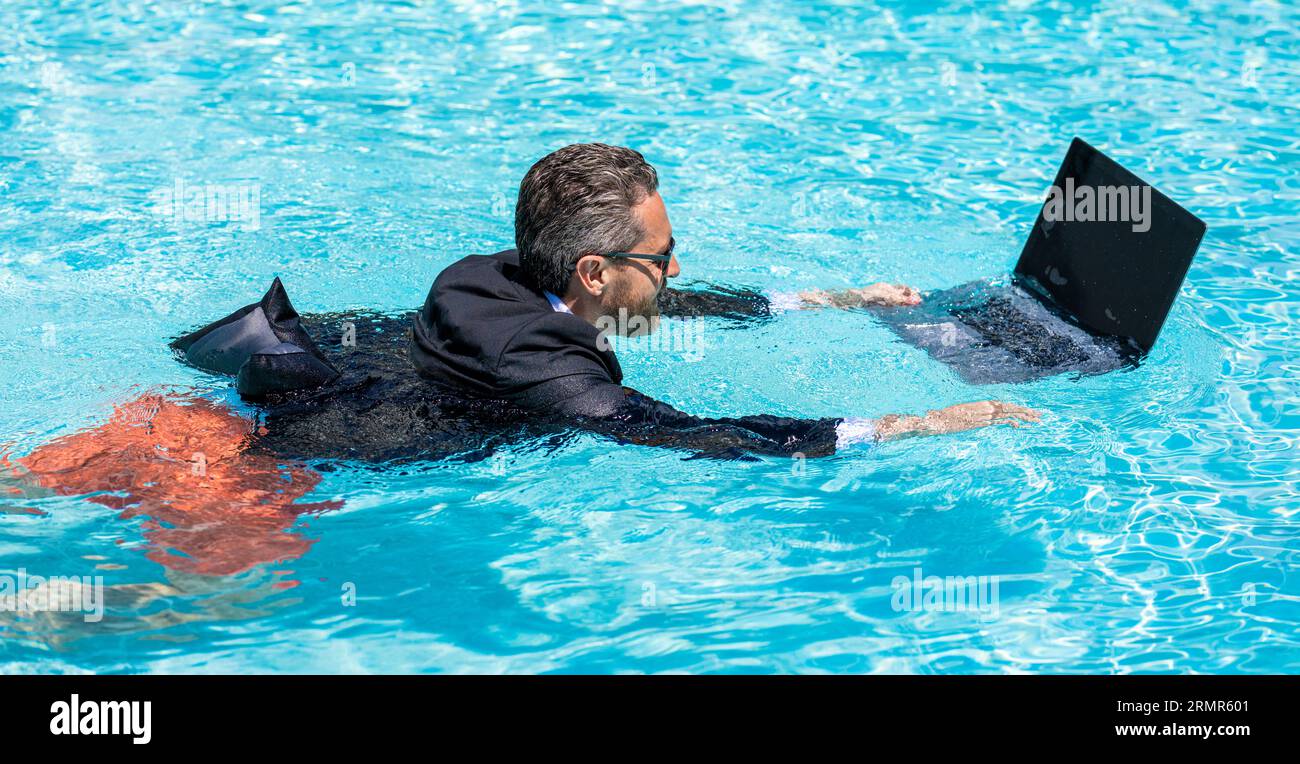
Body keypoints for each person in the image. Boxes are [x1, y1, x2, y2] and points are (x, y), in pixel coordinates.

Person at [409, 143, 1040, 457]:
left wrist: (830, 300)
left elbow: (656, 303)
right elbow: (693, 433)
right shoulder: (555, 374)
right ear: (593, 272)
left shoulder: (493, 273)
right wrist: (910, 425)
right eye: (661, 259)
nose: (675, 269)